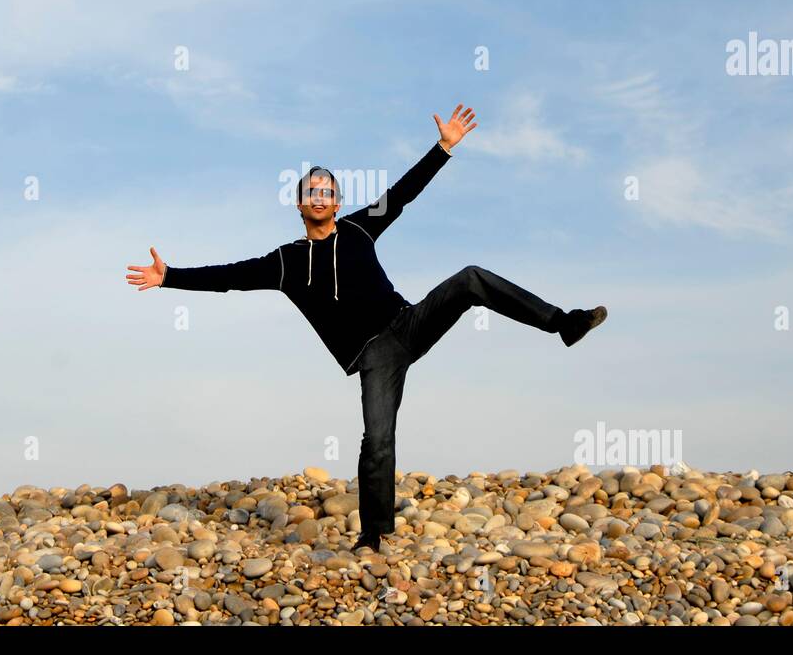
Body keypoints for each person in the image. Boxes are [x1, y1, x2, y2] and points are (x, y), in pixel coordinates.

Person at [126, 104, 607, 553]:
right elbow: (229, 277)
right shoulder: (285, 263)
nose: (319, 197)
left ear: (337, 202)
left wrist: (442, 148)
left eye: (327, 191)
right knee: (377, 439)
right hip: (373, 355)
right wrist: (170, 278)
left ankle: (562, 323)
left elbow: (401, 195)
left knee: (470, 279)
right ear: (298, 204)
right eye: (310, 191)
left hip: (409, 322)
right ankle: (373, 535)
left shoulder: (360, 228)